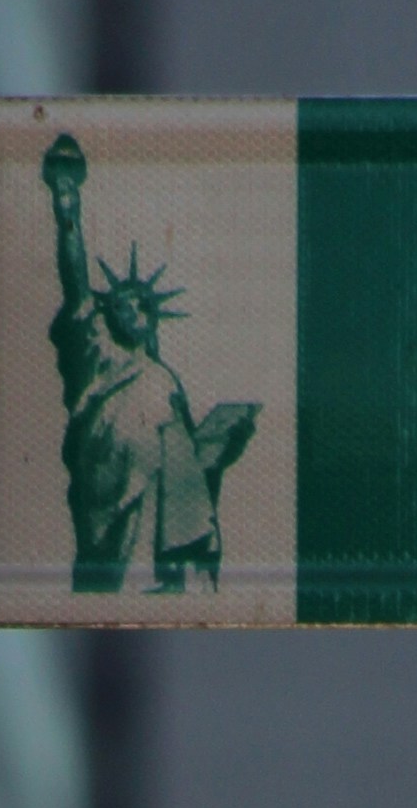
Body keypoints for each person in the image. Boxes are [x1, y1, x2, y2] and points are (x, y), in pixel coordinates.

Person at [44, 130, 258, 595]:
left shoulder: (163, 380)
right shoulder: (96, 351)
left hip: (157, 526)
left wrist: (222, 441)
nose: (132, 311)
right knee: (109, 581)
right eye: (121, 304)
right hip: (106, 488)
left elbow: (187, 475)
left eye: (142, 304)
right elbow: (77, 285)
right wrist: (68, 209)